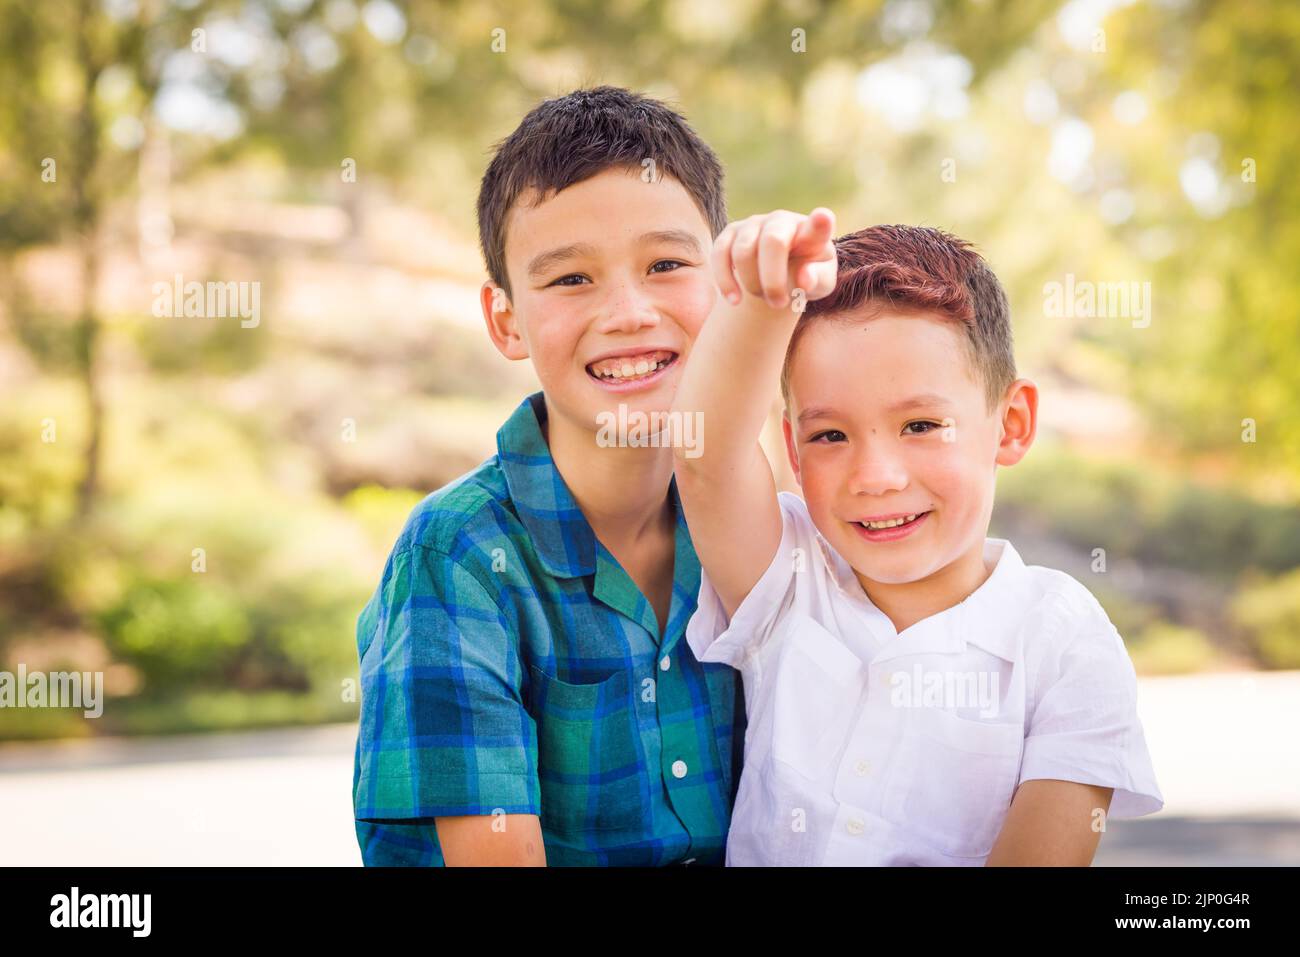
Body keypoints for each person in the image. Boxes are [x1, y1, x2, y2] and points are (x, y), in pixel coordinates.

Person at [672, 210, 1163, 865]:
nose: (875, 477)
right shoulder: (788, 578)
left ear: (1011, 423)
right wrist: (763, 301)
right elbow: (706, 460)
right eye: (830, 436)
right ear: (792, 449)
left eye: (922, 425)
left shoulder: (1063, 642)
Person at [351, 87, 745, 866]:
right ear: (506, 321)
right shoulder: (457, 556)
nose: (629, 311)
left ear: (724, 285)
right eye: (571, 279)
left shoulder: (751, 531)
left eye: (666, 264)